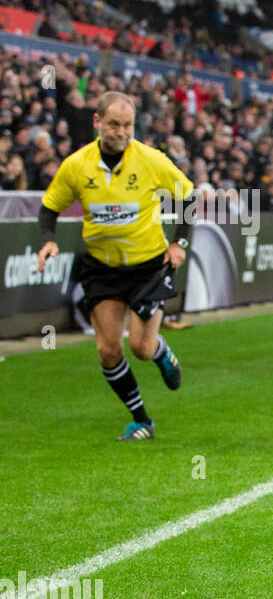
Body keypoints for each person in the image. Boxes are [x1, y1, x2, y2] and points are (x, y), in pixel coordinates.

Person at [34, 91, 191, 440]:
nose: (121, 132)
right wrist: (48, 239)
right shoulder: (76, 165)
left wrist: (179, 242)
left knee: (141, 347)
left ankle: (161, 352)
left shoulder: (152, 160)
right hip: (102, 267)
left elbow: (188, 197)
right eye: (114, 124)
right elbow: (49, 208)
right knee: (107, 349)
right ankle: (142, 421)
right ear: (97, 122)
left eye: (128, 125)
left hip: (148, 267)